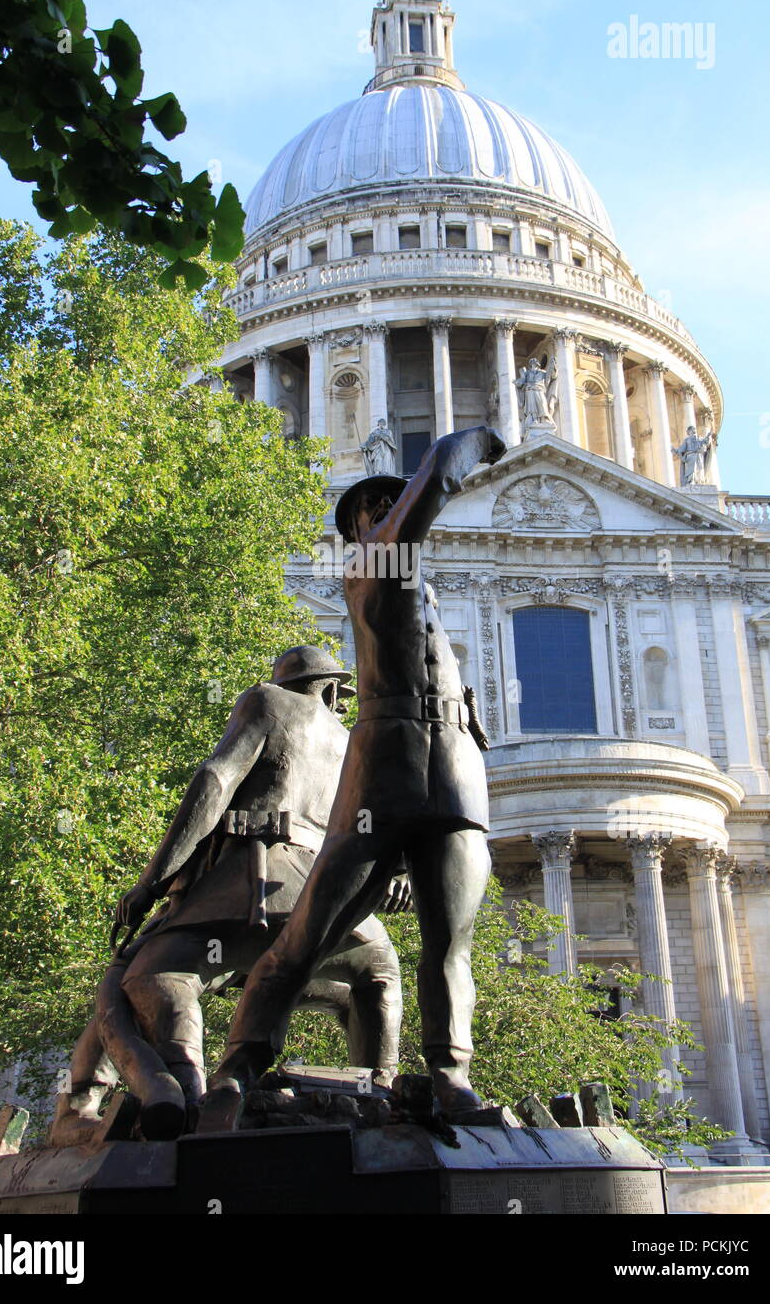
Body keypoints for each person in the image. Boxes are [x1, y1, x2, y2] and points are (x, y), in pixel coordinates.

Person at [205, 425, 506, 1126]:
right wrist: (466, 447)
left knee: (450, 940)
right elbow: (432, 483)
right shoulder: (373, 569)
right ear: (363, 527)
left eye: (389, 503)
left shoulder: (425, 599)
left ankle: (451, 1073)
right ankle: (239, 1062)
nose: (387, 513)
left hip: (453, 768)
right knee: (311, 930)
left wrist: (467, 717)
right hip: (385, 760)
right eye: (376, 507)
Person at [50, 647, 406, 1145]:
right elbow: (385, 818)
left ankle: (185, 1092)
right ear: (329, 688)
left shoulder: (268, 700)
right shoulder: (352, 743)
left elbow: (215, 779)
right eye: (338, 697)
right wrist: (398, 872)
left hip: (249, 884)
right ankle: (380, 1090)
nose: (339, 706)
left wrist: (151, 882)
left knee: (152, 977)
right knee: (377, 977)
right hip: (325, 900)